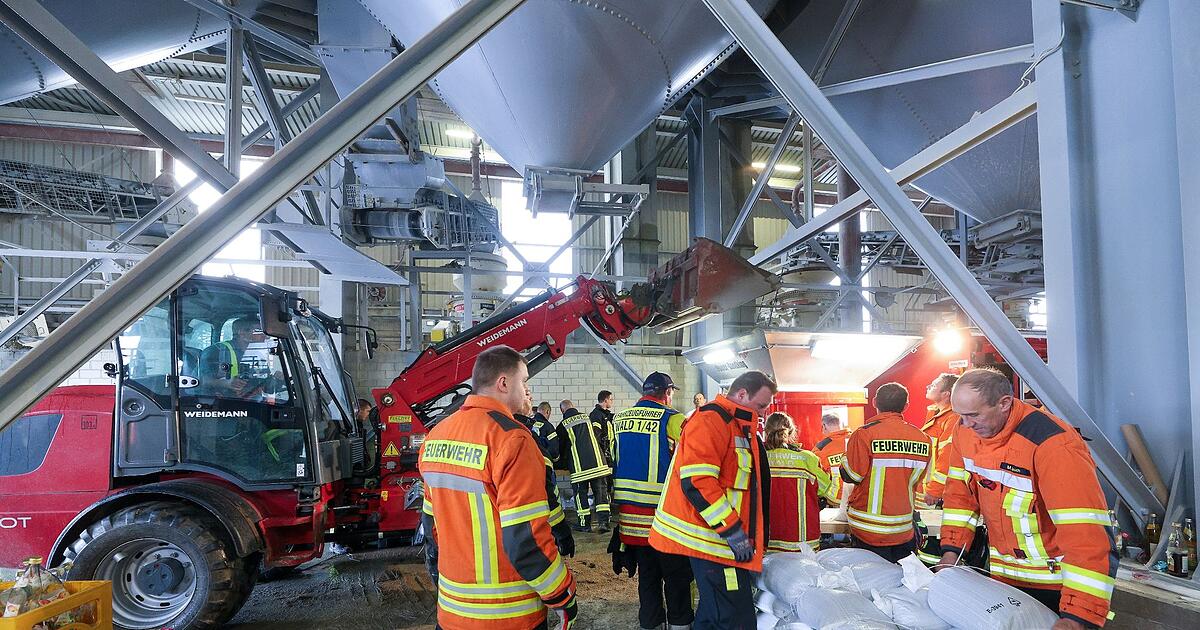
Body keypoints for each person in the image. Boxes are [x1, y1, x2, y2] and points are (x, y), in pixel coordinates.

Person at [938, 368, 1117, 630]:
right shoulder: (965, 433)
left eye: (973, 415)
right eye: (961, 416)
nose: (966, 424)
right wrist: (952, 551)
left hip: (1056, 589)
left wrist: (1078, 617)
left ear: (1004, 403)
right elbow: (959, 497)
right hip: (1001, 581)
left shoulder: (1053, 445)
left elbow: (1086, 534)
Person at [418, 346, 576, 629]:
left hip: (451, 612)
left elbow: (431, 529)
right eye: (523, 381)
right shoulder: (512, 440)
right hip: (507, 616)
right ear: (503, 383)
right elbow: (526, 541)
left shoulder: (436, 436)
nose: (526, 389)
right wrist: (562, 594)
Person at [650, 370, 777, 630]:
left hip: (723, 544)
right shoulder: (711, 420)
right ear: (742, 394)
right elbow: (698, 482)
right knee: (735, 619)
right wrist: (732, 530)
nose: (763, 413)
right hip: (715, 544)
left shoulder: (736, 424)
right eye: (761, 405)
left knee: (713, 614)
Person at [608, 372, 694, 630]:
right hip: (666, 521)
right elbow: (695, 456)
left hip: (631, 524)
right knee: (677, 578)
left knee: (647, 579)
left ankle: (651, 624)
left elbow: (616, 459)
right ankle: (679, 625)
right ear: (667, 392)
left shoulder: (619, 419)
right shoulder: (673, 419)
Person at [841, 382, 932, 562]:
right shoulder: (924, 439)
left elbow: (852, 475)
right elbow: (918, 479)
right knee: (899, 584)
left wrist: (845, 458)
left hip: (867, 528)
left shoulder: (864, 434)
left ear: (874, 402)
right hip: (903, 528)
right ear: (906, 406)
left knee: (872, 582)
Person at [515, 393, 576, 562]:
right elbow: (554, 451)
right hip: (534, 528)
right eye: (524, 388)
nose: (529, 394)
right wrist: (561, 530)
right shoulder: (542, 429)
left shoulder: (500, 429)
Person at [764, 412, 833, 552]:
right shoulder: (808, 458)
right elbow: (825, 489)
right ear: (791, 431)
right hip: (803, 544)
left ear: (766, 432)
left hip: (766, 542)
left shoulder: (757, 457)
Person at [561, 399, 612, 532]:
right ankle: (604, 523)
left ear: (562, 411)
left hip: (580, 468)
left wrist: (562, 462)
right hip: (598, 463)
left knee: (580, 495)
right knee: (601, 493)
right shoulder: (587, 417)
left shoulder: (563, 425)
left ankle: (584, 524)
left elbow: (562, 448)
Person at [921, 373, 961, 508]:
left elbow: (947, 457)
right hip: (930, 490)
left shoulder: (953, 418)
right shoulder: (937, 415)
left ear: (946, 394)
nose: (928, 387)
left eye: (933, 386)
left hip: (940, 494)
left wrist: (934, 490)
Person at [815, 413, 852, 504]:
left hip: (835, 499)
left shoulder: (821, 448)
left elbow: (815, 476)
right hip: (857, 497)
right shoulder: (855, 438)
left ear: (824, 426)